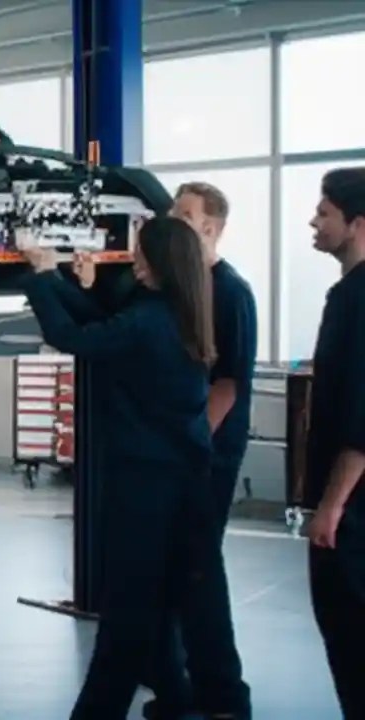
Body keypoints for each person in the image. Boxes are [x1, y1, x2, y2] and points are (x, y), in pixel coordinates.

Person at [19, 216, 249, 720]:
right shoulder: (183, 312)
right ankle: (218, 704)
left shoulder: (148, 320)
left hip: (145, 487)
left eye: (141, 253)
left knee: (126, 611)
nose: (133, 261)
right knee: (195, 600)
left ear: (161, 260)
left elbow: (74, 337)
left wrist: (37, 276)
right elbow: (101, 325)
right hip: (186, 477)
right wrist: (61, 280)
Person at [143, 182, 259, 719]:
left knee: (198, 575)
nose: (173, 219)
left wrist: (193, 445)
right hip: (177, 455)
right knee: (173, 573)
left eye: (184, 214)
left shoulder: (230, 292)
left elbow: (228, 384)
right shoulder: (177, 288)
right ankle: (178, 689)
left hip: (207, 455)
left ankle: (224, 697)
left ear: (210, 227)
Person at [300, 166, 365, 719]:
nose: (314, 222)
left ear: (357, 224)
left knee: (353, 639)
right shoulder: (346, 294)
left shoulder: (361, 301)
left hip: (355, 514)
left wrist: (331, 507)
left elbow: (362, 419)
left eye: (324, 213)